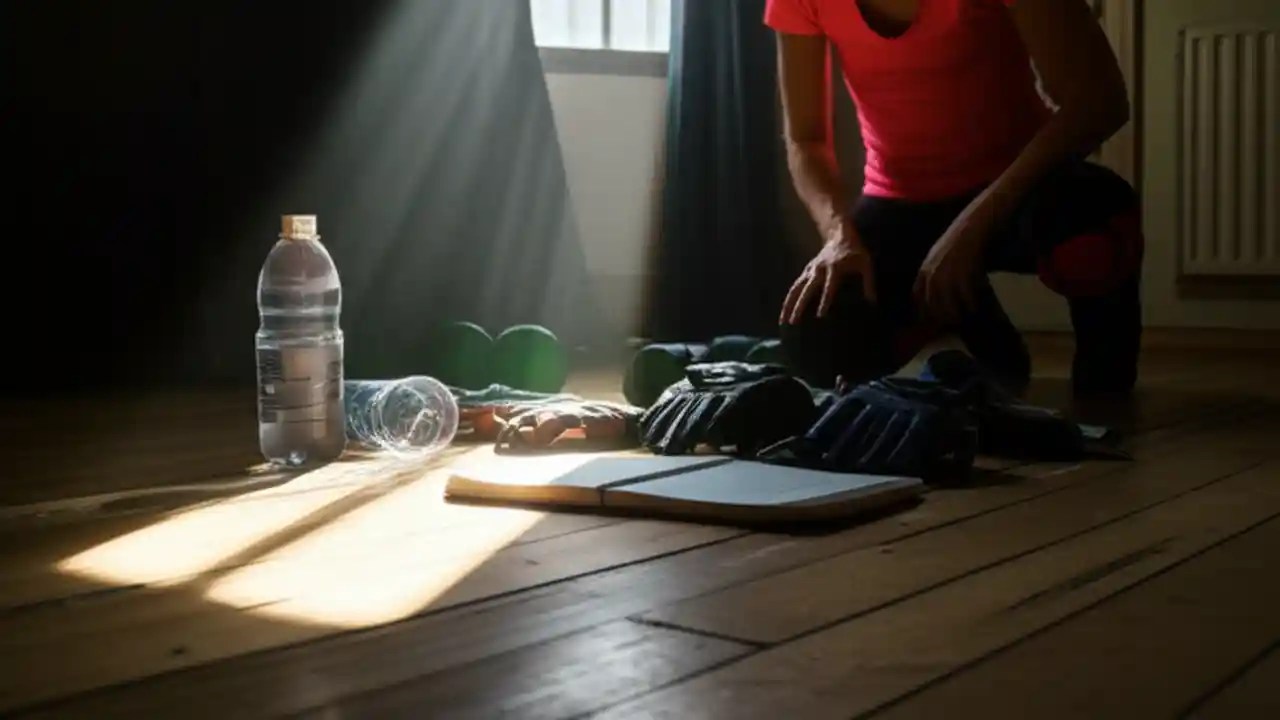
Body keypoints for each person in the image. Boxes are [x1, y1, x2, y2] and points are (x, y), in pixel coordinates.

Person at [768, 0, 1143, 397]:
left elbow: (1100, 102)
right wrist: (838, 235)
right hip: (899, 201)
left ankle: (1103, 376)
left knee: (1091, 237)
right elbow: (805, 140)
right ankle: (976, 331)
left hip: (1018, 186)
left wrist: (969, 228)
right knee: (818, 338)